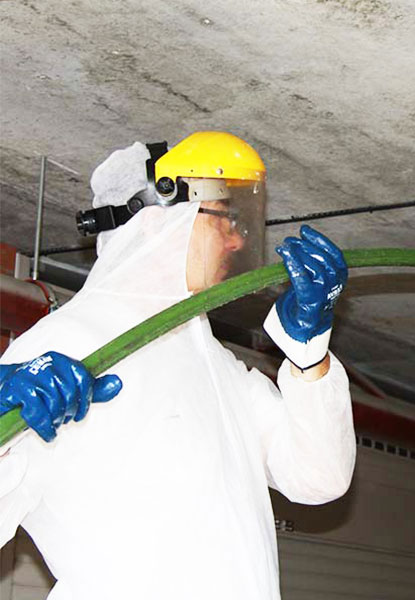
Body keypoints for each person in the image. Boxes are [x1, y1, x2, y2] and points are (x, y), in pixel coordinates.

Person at [0, 132, 355, 599]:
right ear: (155, 221)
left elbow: (319, 478)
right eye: (222, 219)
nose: (236, 241)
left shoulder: (218, 366)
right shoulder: (63, 347)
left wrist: (310, 356)